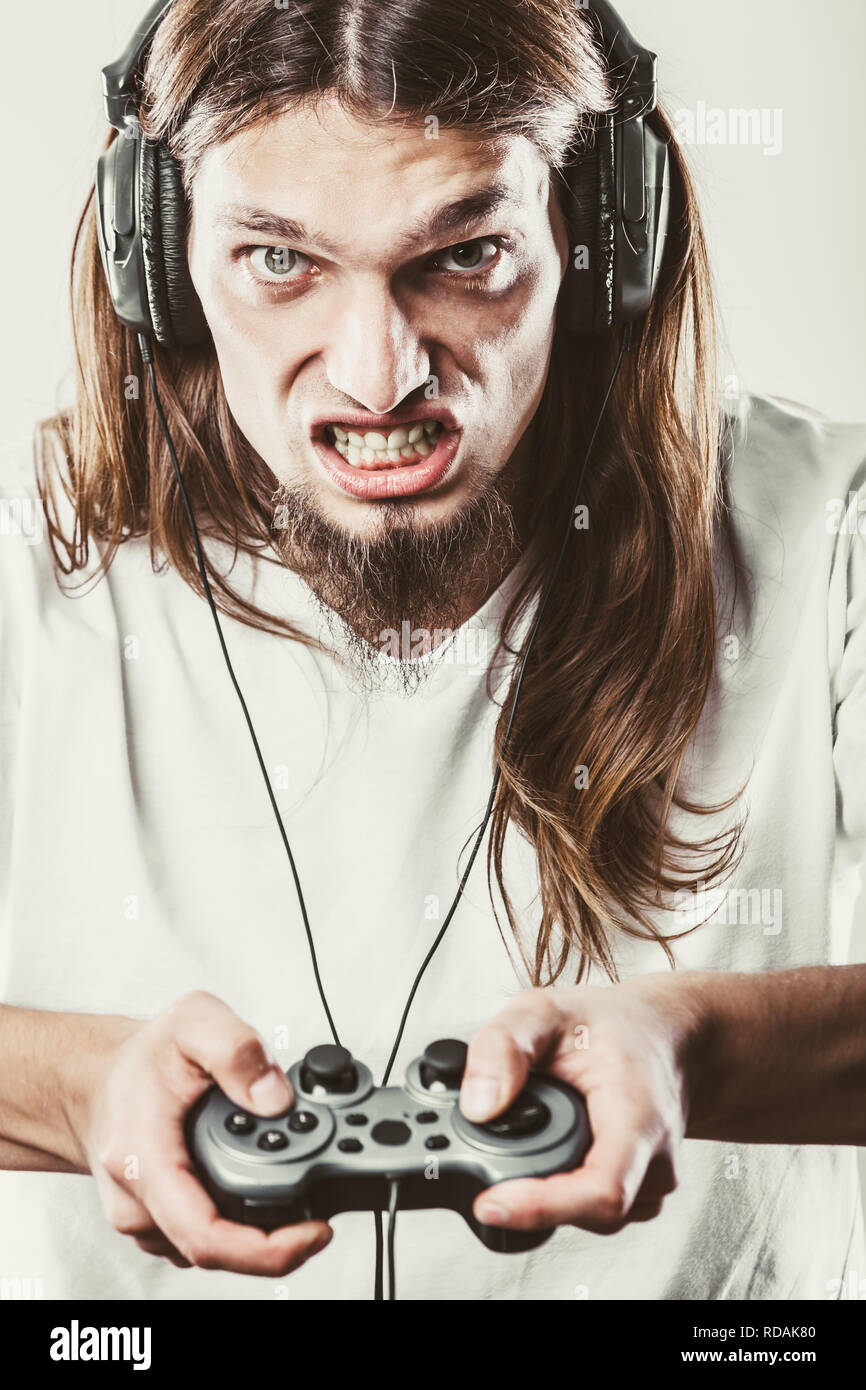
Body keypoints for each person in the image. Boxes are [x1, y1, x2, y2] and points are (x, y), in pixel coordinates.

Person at [0, 0, 865, 1302]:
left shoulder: (831, 532)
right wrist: (70, 1084)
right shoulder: (22, 554)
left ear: (601, 237)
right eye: (279, 262)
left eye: (463, 255)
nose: (377, 374)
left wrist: (692, 1047)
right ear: (161, 257)